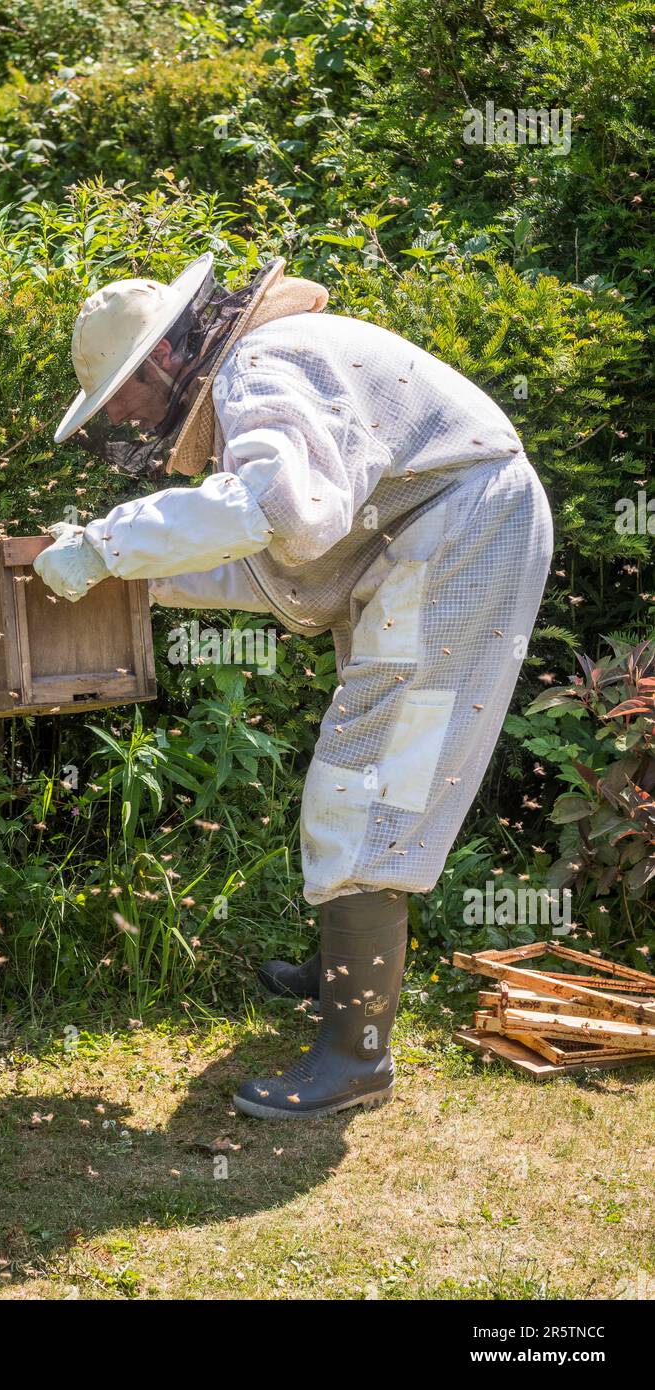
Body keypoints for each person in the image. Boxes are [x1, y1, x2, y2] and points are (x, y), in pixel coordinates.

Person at [34, 251, 554, 1120]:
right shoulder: (269, 365)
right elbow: (283, 559)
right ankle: (344, 975)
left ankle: (355, 1057)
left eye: (122, 392)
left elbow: (277, 514)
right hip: (425, 543)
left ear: (166, 355)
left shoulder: (262, 365)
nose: (122, 415)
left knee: (367, 781)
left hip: (454, 543)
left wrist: (108, 547)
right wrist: (129, 573)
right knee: (362, 771)